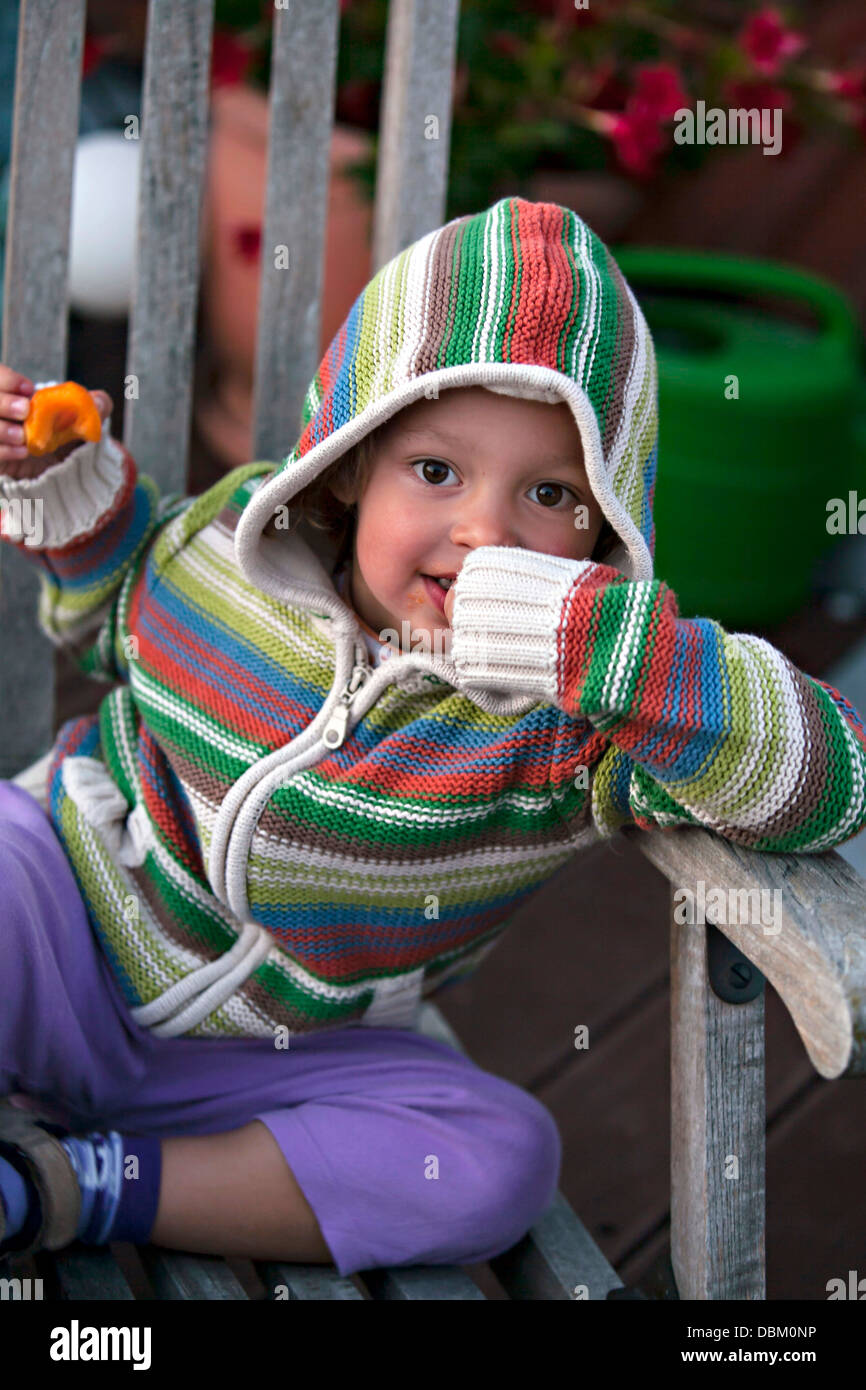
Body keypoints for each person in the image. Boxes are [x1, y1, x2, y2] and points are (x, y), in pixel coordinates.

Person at [1, 195, 864, 1277]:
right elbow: (123, 589)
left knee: (496, 1158)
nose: (483, 530)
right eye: (435, 471)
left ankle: (76, 1186)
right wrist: (72, 494)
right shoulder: (233, 549)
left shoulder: (576, 729)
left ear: (601, 534)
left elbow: (831, 775)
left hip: (282, 1060)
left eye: (549, 493)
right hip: (67, 925)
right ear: (350, 465)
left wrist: (620, 661)